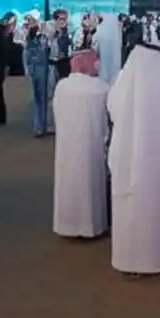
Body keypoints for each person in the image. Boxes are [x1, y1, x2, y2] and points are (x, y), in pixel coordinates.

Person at [107, 34, 160, 275]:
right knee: (148, 204)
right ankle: (149, 261)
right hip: (151, 155)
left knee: (125, 202)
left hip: (124, 152)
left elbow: (112, 110)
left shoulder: (121, 80)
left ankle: (125, 260)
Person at [51, 49, 110, 238]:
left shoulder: (62, 86)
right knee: (90, 184)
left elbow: (57, 112)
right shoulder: (101, 88)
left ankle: (66, 225)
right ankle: (91, 226)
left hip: (67, 144)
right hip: (91, 145)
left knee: (68, 182)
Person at [24, 18, 53, 137]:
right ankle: (42, 126)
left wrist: (28, 69)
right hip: (42, 69)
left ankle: (39, 126)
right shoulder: (42, 39)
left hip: (35, 69)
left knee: (38, 98)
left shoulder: (30, 40)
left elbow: (27, 56)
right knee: (43, 97)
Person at [96, 13, 123, 86]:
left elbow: (96, 47)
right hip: (115, 73)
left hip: (102, 72)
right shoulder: (117, 30)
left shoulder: (101, 30)